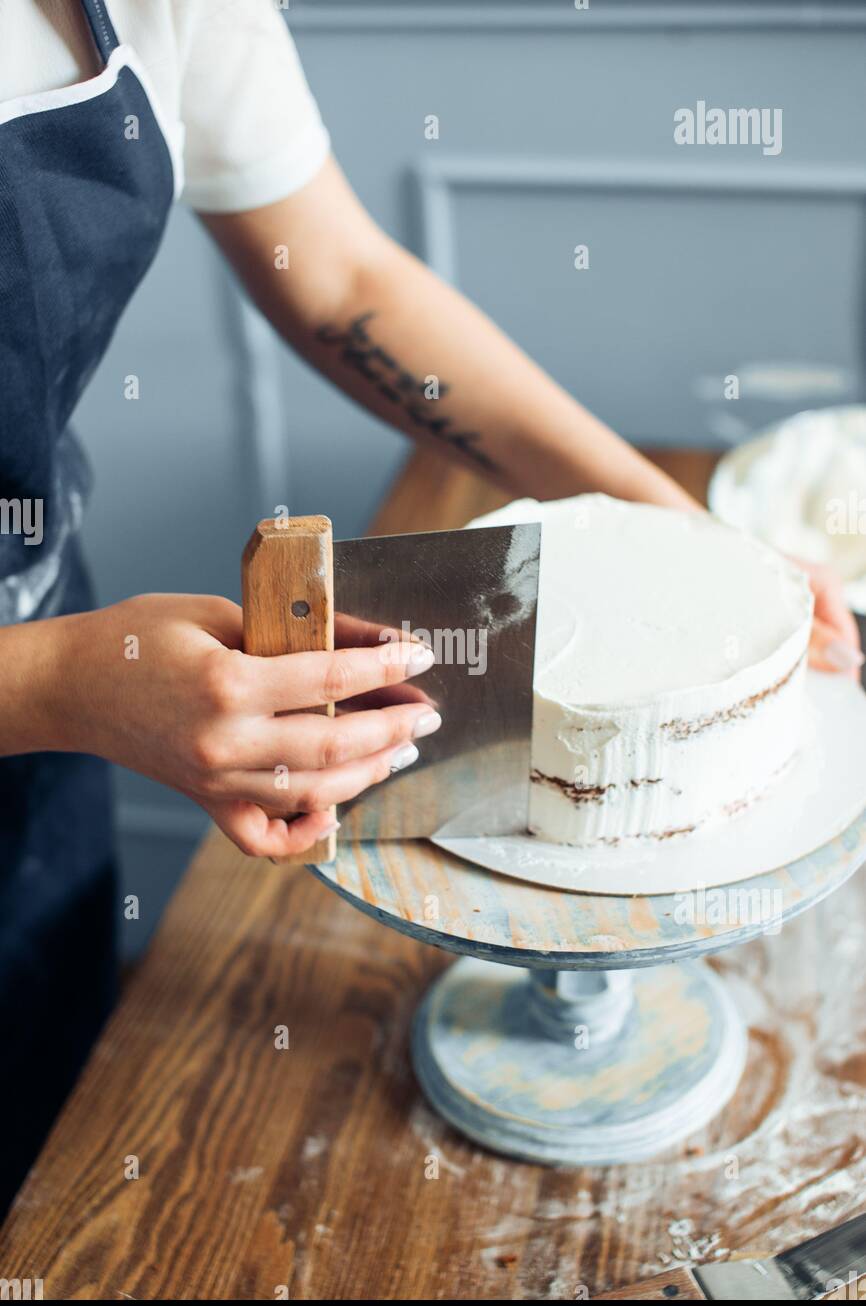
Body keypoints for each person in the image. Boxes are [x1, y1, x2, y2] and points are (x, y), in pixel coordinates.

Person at [0, 0, 860, 1215]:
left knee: (47, 1131)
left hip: (46, 673)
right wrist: (48, 682)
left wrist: (658, 520)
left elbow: (339, 275)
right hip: (58, 674)